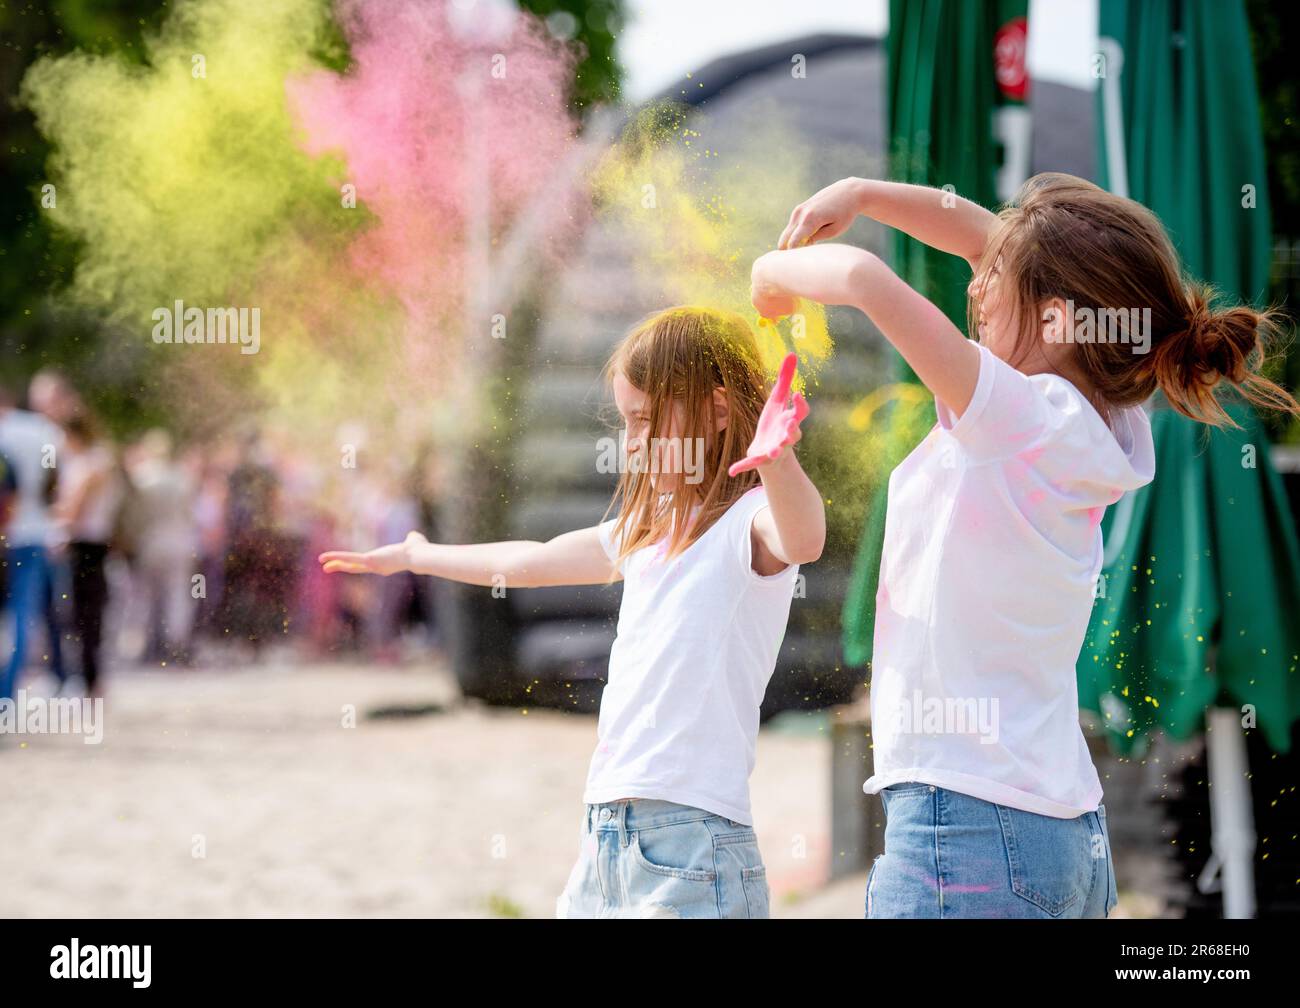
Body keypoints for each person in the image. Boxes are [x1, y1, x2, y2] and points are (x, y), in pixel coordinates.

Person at [756, 172, 1300, 918]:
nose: (975, 291)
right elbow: (990, 244)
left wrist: (769, 277)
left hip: (967, 832)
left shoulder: (1019, 418)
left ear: (1053, 318)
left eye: (993, 284)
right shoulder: (1095, 420)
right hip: (1056, 835)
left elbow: (861, 279)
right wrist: (862, 195)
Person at [319, 307, 824, 918]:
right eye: (626, 422)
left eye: (644, 419)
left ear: (718, 411)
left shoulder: (748, 524)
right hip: (607, 834)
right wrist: (419, 554)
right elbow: (531, 560)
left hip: (694, 844)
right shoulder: (646, 533)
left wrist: (778, 462)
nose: (632, 441)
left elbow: (803, 539)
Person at [0, 383, 67, 701]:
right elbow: (55, 488)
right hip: (32, 535)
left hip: (10, 534)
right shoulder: (44, 431)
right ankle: (5, 696)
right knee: (22, 617)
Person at [53, 413, 124, 696]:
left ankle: (87, 681)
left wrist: (60, 522)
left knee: (82, 615)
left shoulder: (88, 465)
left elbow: (73, 508)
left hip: (83, 546)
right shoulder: (98, 462)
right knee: (91, 615)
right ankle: (90, 680)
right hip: (97, 545)